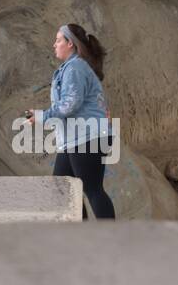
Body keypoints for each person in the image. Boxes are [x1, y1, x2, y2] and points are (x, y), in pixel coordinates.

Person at [26, 23, 116, 219]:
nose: (54, 44)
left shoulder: (75, 67)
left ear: (71, 44)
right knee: (63, 188)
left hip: (87, 136)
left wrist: (43, 116)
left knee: (92, 189)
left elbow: (70, 104)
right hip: (76, 137)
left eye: (58, 40)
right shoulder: (72, 68)